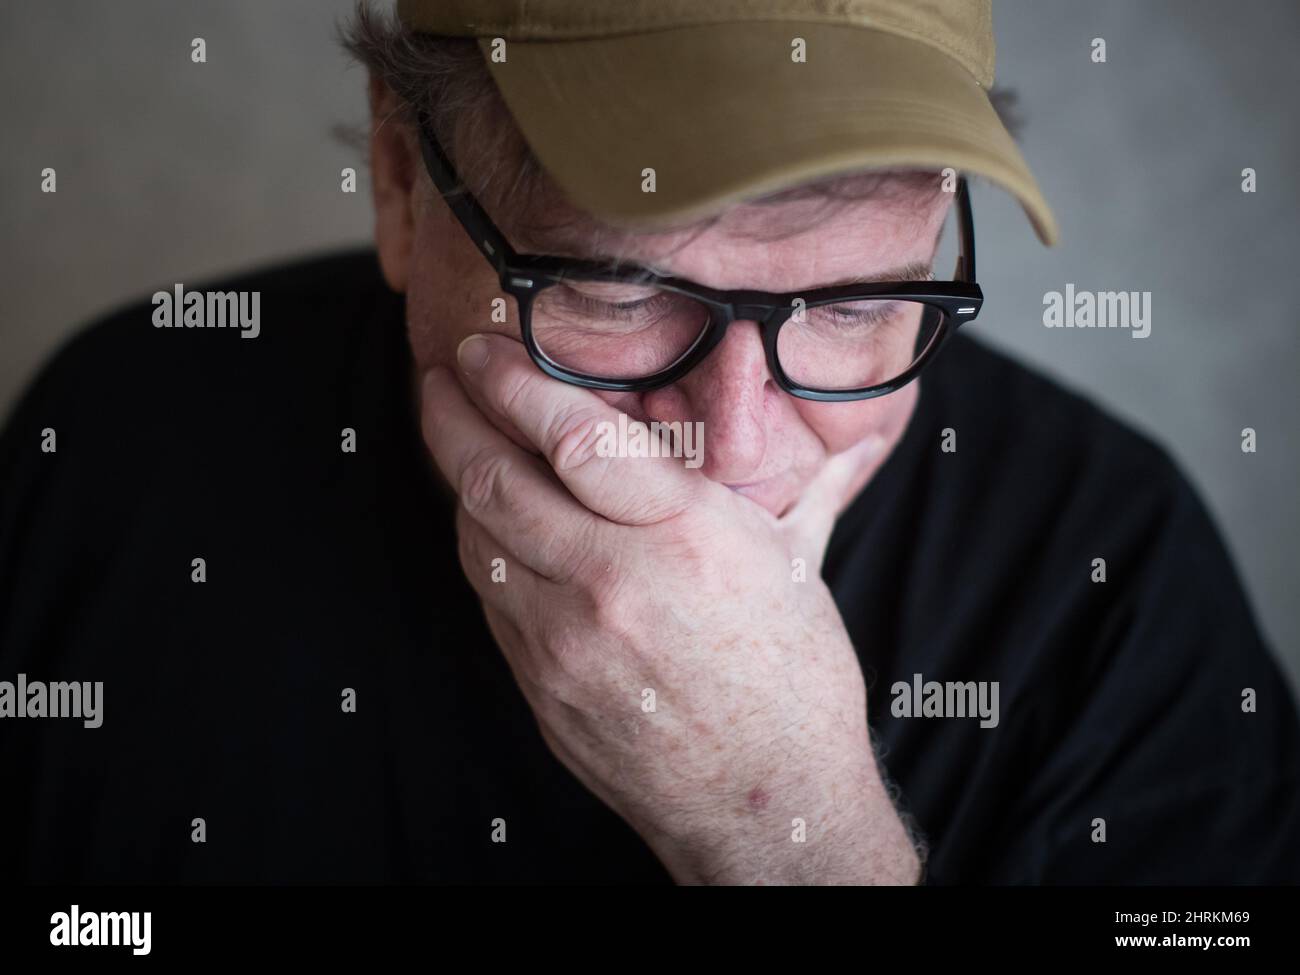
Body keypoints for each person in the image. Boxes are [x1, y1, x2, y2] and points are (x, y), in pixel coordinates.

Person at [1, 0, 1296, 885]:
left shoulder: (1107, 571)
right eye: (617, 293)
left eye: (855, 304)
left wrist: (797, 841)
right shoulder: (110, 454)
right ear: (403, 185)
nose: (732, 448)